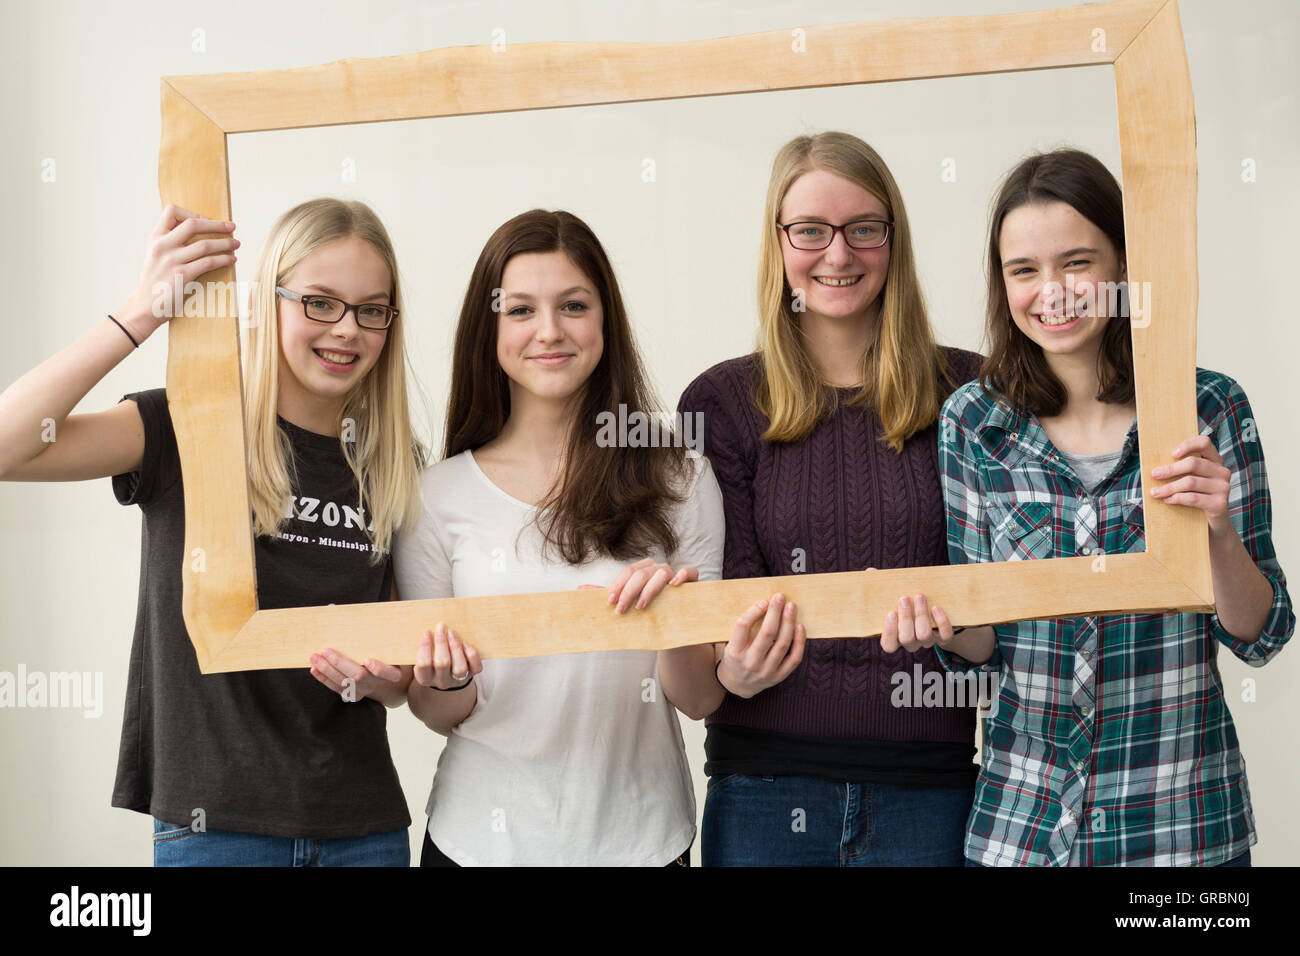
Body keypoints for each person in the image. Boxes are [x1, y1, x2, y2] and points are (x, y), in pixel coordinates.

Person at [0, 199, 426, 865]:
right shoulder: (185, 428)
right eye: (319, 302)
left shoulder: (394, 465)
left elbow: (400, 674)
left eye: (371, 309)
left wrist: (377, 679)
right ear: (267, 303)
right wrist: (143, 310)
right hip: (216, 829)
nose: (347, 329)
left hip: (363, 831)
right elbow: (6, 447)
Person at [931, 148, 1294, 866]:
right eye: (1023, 271)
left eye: (1078, 262)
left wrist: (1218, 531)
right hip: (1021, 830)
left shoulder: (1209, 408)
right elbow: (980, 651)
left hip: (1181, 831)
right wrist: (941, 627)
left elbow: (1262, 631)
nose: (1053, 291)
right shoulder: (972, 422)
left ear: (1124, 268)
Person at [674, 131, 994, 866]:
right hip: (763, 785)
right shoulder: (721, 402)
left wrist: (957, 632)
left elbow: (998, 615)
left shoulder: (973, 393)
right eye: (811, 231)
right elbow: (727, 605)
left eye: (864, 229)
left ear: (894, 238)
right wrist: (729, 670)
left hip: (930, 791)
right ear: (778, 243)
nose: (839, 255)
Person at [395, 208, 725, 866]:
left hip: (643, 843)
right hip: (474, 843)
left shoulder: (681, 476)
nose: (550, 331)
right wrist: (449, 680)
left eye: (573, 305)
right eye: (520, 310)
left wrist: (674, 622)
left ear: (606, 320)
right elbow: (435, 710)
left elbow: (701, 699)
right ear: (488, 329)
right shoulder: (435, 497)